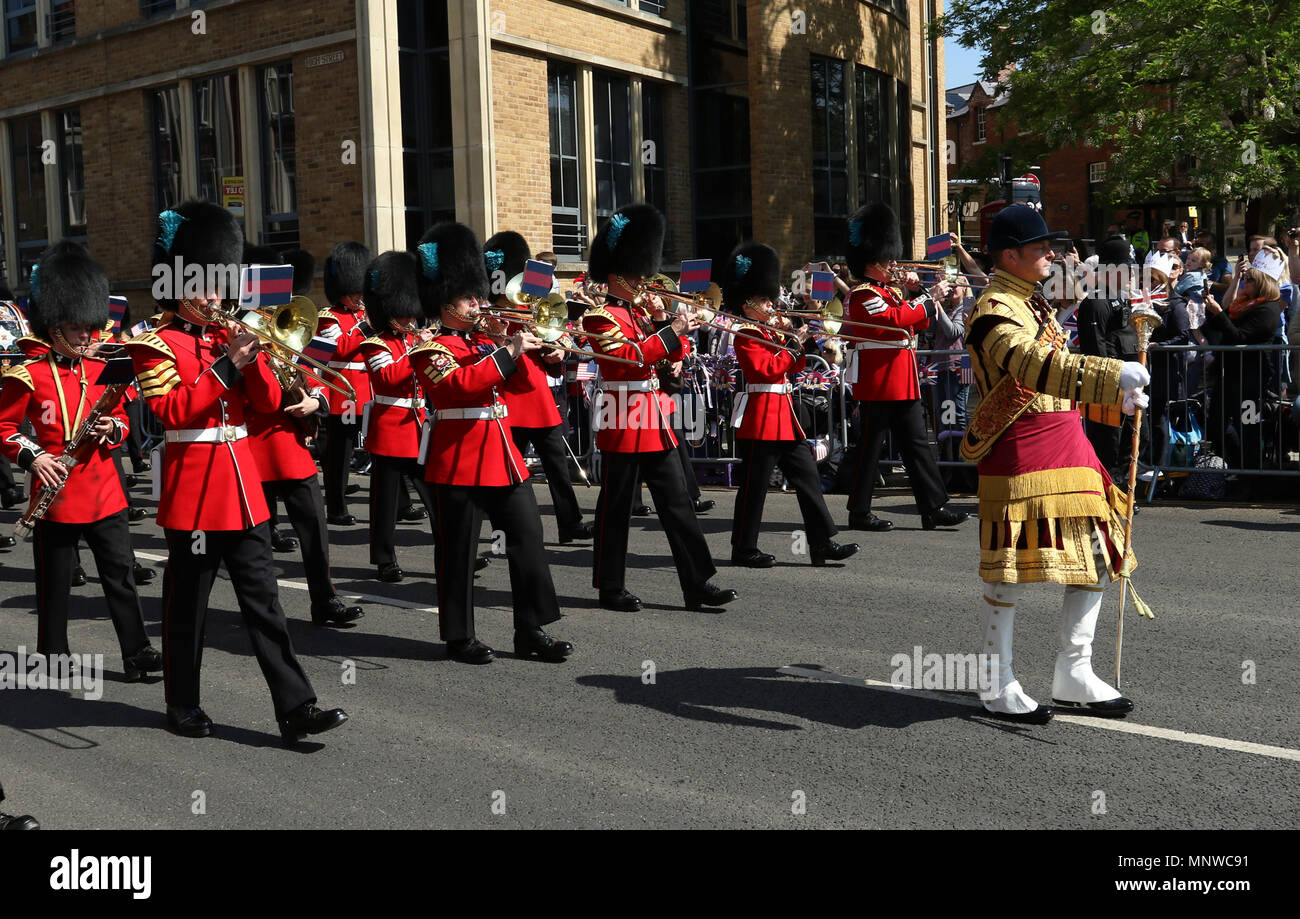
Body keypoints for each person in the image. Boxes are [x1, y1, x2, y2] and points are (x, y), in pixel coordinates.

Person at [125, 200, 347, 745]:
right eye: (202, 285)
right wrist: (229, 366)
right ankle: (182, 702)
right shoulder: (152, 343)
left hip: (244, 489)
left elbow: (270, 404)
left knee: (265, 602)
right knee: (188, 608)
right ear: (176, 286)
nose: (214, 297)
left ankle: (297, 707)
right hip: (195, 491)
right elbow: (173, 412)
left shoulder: (233, 334)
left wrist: (257, 362)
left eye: (219, 284)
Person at [961, 204, 1151, 724]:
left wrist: (1117, 399)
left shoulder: (1033, 302)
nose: (1052, 253)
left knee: (1098, 553)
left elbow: (1058, 383)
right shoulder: (992, 308)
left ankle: (1075, 671)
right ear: (1009, 255)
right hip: (1019, 446)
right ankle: (995, 679)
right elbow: (1033, 366)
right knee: (1010, 568)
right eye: (1041, 246)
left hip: (1066, 441)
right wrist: (1114, 375)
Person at [409, 222, 572, 663]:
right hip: (457, 457)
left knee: (528, 537)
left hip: (501, 454)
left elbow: (520, 388)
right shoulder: (429, 350)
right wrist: (507, 351)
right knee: (459, 551)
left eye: (478, 296)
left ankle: (530, 629)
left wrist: (545, 353)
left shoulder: (488, 341)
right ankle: (459, 636)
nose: (479, 304)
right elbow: (460, 386)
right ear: (446, 304)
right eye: (469, 299)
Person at [0, 241, 162, 681]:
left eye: (89, 328)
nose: (86, 337)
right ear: (54, 326)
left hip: (105, 489)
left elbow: (127, 420)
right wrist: (33, 457)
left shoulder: (104, 365)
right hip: (55, 494)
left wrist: (115, 431)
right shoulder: (28, 372)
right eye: (76, 329)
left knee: (120, 577)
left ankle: (137, 652)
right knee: (54, 585)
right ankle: (52, 654)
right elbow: (5, 428)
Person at [581, 203, 737, 612]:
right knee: (616, 511)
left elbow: (670, 356)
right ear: (617, 276)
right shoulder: (600, 318)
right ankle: (610, 586)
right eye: (636, 275)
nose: (643, 281)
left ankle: (698, 583)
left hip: (654, 417)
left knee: (677, 503)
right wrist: (668, 331)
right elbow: (629, 358)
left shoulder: (641, 314)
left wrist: (669, 324)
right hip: (623, 417)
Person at [722, 241, 858, 568]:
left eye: (769, 299)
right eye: (764, 300)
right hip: (761, 417)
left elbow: (794, 368)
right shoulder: (745, 333)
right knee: (754, 489)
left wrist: (794, 340)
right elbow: (765, 370)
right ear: (748, 304)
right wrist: (791, 348)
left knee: (808, 477)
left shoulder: (768, 332)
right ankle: (743, 548)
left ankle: (822, 542)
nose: (771, 305)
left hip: (784, 417)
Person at [840, 202, 969, 532]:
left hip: (902, 380)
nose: (894, 264)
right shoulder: (862, 294)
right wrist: (926, 299)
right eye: (888, 260)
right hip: (879, 382)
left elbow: (919, 321)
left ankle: (933, 507)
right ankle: (859, 511)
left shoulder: (889, 292)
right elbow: (895, 321)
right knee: (870, 448)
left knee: (917, 447)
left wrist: (920, 292)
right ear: (873, 261)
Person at [482, 230, 592, 542]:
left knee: (557, 467)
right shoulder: (490, 315)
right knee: (506, 471)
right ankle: (503, 528)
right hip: (508, 400)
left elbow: (560, 336)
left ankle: (570, 523)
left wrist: (561, 350)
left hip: (538, 398)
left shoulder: (532, 305)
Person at [358, 251, 437, 583]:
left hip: (420, 427)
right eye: (403, 314)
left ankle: (452, 550)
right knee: (385, 504)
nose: (409, 320)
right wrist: (419, 351)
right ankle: (384, 559)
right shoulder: (374, 344)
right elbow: (389, 378)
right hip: (391, 429)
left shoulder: (411, 339)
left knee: (437, 498)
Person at [1202, 246, 1288, 477]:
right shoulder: (1242, 304)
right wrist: (1216, 309)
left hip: (1251, 379)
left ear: (1261, 282)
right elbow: (1222, 322)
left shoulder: (1268, 310)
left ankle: (1250, 476)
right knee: (1218, 423)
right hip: (1229, 374)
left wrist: (1220, 313)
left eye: (1249, 279)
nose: (1245, 283)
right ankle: (1229, 468)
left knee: (1248, 428)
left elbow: (1239, 336)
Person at [317, 241, 373, 527]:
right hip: (346, 392)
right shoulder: (328, 317)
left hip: (372, 391)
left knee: (387, 452)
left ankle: (400, 504)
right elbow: (338, 349)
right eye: (354, 291)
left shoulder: (367, 315)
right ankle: (336, 508)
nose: (359, 296)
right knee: (341, 455)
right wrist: (364, 325)